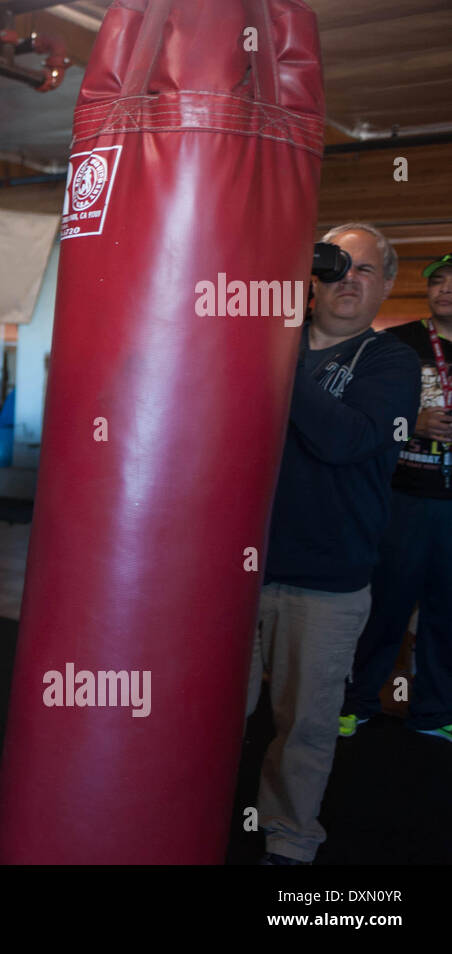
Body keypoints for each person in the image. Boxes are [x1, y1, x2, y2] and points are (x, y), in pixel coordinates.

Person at [245, 223, 421, 864]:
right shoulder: (270, 341)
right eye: (337, 265)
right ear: (314, 277)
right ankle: (190, 812)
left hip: (327, 577)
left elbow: (347, 441)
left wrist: (275, 356)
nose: (348, 279)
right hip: (236, 570)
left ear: (387, 285)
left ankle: (289, 840)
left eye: (366, 270)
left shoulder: (392, 362)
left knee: (305, 724)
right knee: (208, 709)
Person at [341, 251, 452, 743]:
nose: (444, 288)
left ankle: (434, 714)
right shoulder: (396, 346)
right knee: (383, 607)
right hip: (402, 498)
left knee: (446, 615)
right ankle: (356, 703)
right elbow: (361, 421)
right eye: (438, 281)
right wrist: (413, 426)